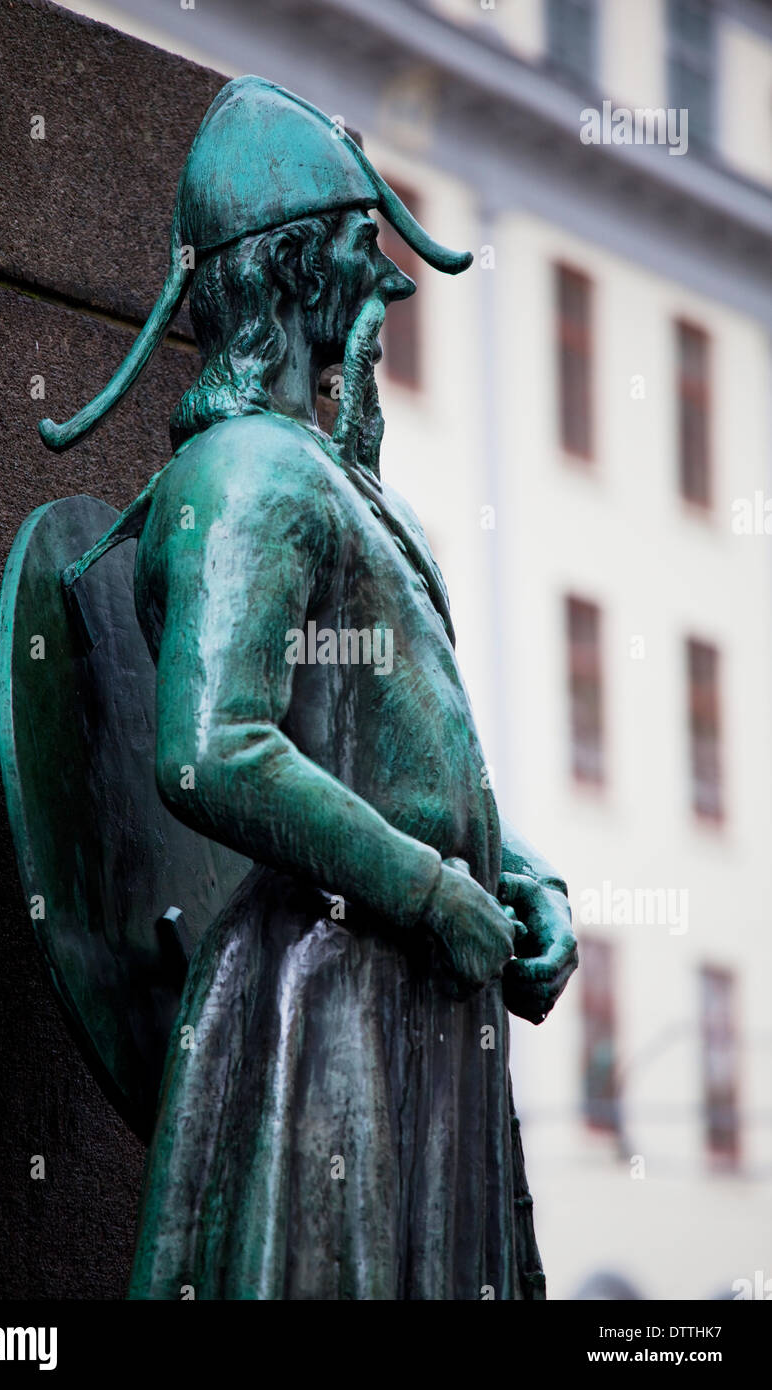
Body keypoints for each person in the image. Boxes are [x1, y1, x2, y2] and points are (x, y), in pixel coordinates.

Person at [40, 76, 578, 1301]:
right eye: (357, 251)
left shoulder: (333, 486)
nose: (384, 287)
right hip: (326, 998)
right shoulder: (245, 475)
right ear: (290, 271)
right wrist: (430, 889)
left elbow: (389, 757)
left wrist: (517, 876)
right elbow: (211, 747)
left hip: (416, 989)